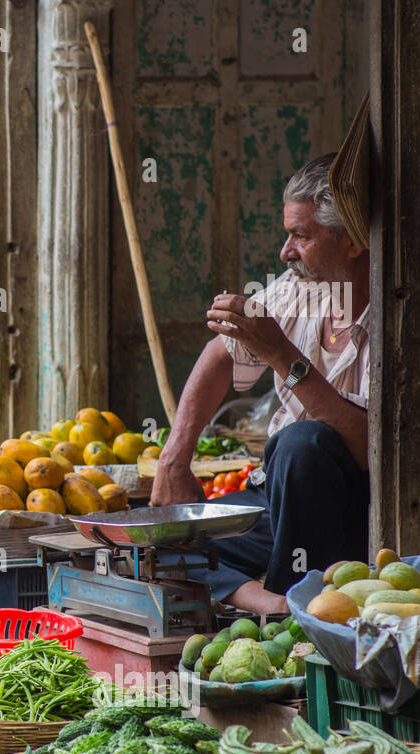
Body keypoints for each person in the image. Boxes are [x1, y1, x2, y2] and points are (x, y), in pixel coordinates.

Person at [150, 154, 371, 614]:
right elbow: (220, 354)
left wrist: (283, 356)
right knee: (163, 546)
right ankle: (273, 604)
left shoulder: (398, 319)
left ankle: (303, 611)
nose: (285, 252)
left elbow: (371, 448)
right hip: (278, 497)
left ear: (351, 241)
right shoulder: (297, 289)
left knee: (302, 443)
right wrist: (174, 460)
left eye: (301, 236)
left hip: (355, 508)